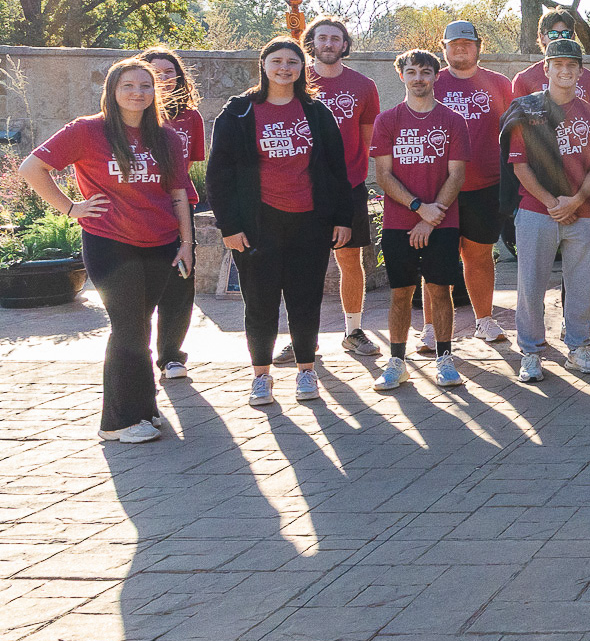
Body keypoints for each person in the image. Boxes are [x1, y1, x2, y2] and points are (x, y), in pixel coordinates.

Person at [23, 59, 195, 442]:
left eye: (146, 86)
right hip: (109, 243)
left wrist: (187, 243)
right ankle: (117, 423)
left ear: (156, 93)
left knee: (140, 327)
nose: (138, 92)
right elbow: (32, 167)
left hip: (161, 243)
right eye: (128, 85)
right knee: (129, 327)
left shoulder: (167, 137)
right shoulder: (87, 131)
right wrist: (71, 207)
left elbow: (178, 192)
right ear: (112, 91)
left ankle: (143, 411)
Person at [210, 38, 352, 405]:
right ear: (264, 64)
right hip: (257, 224)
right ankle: (261, 376)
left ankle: (307, 371)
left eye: (293, 61)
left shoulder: (316, 112)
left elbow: (338, 171)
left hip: (310, 222)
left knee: (305, 300)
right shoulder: (239, 111)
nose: (285, 68)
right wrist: (229, 225)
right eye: (277, 61)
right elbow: (219, 174)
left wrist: (341, 217)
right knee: (260, 303)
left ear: (302, 68)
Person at [504, 38, 590, 384]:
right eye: (558, 65)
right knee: (531, 284)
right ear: (545, 68)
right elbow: (520, 167)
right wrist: (553, 203)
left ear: (580, 71)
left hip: (586, 210)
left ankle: (578, 348)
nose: (565, 71)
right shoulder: (527, 109)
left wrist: (576, 201)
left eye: (572, 66)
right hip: (537, 209)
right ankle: (531, 352)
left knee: (581, 284)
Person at [368, 50, 469, 391]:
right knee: (400, 293)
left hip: (442, 220)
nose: (418, 78)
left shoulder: (453, 120)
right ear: (402, 76)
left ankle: (444, 359)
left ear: (436, 76)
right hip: (399, 222)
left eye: (425, 72)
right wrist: (416, 207)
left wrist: (431, 216)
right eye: (411, 72)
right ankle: (397, 362)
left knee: (441, 290)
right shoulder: (387, 120)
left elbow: (456, 175)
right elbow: (382, 174)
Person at [304, 16, 382, 359]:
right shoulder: (295, 79)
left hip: (347, 187)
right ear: (312, 43)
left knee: (350, 261)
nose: (329, 44)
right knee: (304, 265)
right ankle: (302, 336)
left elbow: (368, 141)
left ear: (345, 45)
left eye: (336, 39)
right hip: (301, 189)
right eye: (323, 38)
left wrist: (353, 178)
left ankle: (353, 331)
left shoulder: (363, 86)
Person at [433, 21, 516, 343]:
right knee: (439, 259)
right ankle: (432, 329)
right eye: (454, 44)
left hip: (485, 184)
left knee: (478, 256)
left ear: (478, 46)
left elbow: (514, 133)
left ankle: (484, 320)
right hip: (439, 188)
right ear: (445, 48)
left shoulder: (498, 83)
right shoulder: (432, 81)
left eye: (467, 43)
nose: (461, 48)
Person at [140, 46, 203, 379]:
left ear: (179, 77)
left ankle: (171, 356)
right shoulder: (130, 114)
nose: (163, 79)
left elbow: (188, 164)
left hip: (179, 205)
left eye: (169, 72)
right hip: (138, 207)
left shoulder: (189, 117)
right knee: (142, 281)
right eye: (155, 73)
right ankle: (137, 353)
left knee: (180, 277)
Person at [513, 7, 590, 103]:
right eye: (553, 34)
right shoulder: (524, 79)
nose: (560, 38)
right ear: (542, 38)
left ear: (573, 37)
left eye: (566, 34)